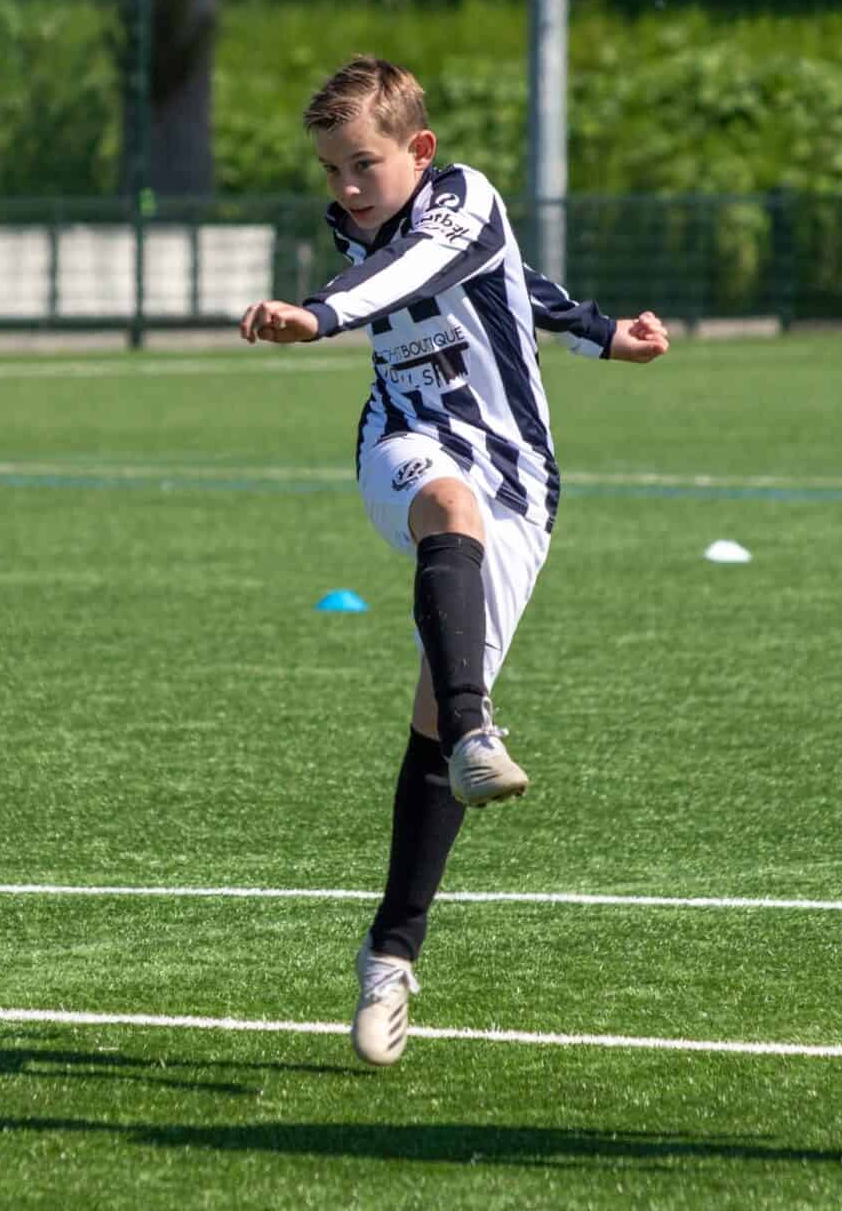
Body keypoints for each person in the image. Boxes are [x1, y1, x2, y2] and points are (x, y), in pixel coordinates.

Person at [240, 55, 669, 1066]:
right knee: (446, 505)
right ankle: (482, 734)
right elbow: (383, 278)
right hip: (403, 443)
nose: (345, 188)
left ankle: (390, 955)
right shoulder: (359, 234)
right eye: (332, 171)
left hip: (521, 486)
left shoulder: (467, 197)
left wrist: (604, 335)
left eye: (362, 166)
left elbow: (490, 278)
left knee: (431, 706)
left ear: (419, 151)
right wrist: (328, 308)